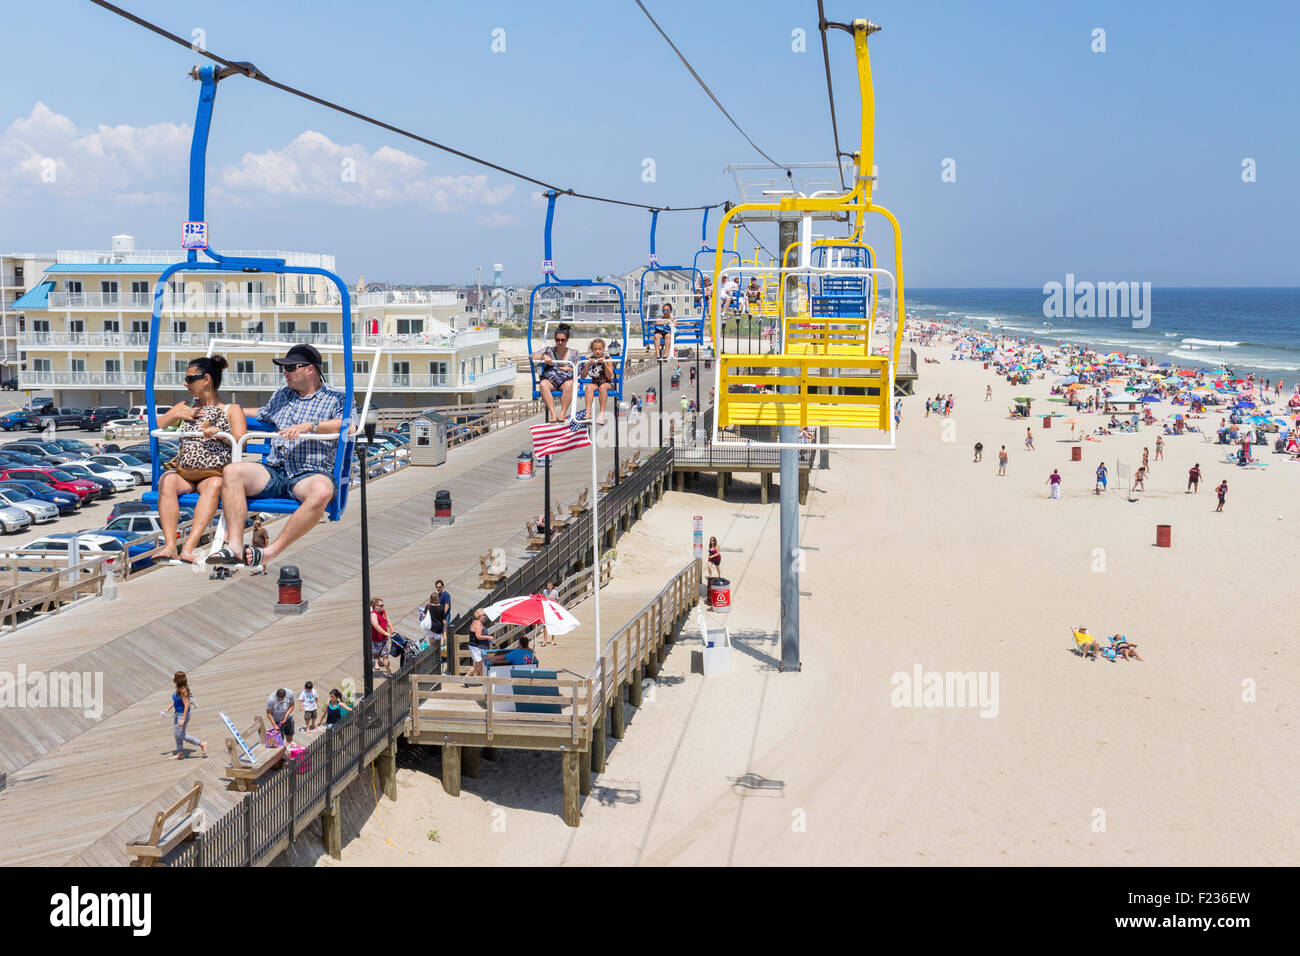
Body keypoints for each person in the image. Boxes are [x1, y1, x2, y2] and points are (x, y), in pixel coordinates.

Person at [206, 344, 356, 569]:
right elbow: (263, 413)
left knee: (322, 491)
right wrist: (225, 409)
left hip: (309, 472)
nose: (284, 374)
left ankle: (270, 552)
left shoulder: (337, 398)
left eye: (290, 368)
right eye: (283, 369)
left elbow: (349, 425)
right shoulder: (281, 395)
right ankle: (234, 545)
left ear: (310, 370)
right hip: (275, 469)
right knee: (233, 471)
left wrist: (310, 426)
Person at [155, 356, 247, 565]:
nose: (185, 384)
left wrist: (220, 434)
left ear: (205, 379)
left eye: (189, 379)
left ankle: (189, 547)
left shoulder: (231, 409)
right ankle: (170, 546)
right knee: (167, 480)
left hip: (214, 473)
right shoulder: (186, 407)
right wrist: (174, 414)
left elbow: (242, 442)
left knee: (214, 485)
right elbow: (156, 425)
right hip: (186, 472)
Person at [531, 324, 579, 421]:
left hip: (565, 380)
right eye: (557, 340)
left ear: (567, 340)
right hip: (551, 379)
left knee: (570, 385)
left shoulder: (574, 353)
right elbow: (532, 356)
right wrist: (544, 357)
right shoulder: (549, 350)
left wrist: (568, 369)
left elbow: (579, 370)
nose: (560, 342)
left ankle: (562, 414)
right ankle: (553, 414)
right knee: (543, 384)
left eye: (563, 340)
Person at [160, 670, 206, 759]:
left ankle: (201, 743)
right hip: (178, 714)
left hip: (183, 715)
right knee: (176, 733)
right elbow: (176, 701)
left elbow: (186, 704)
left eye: (175, 677)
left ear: (178, 679)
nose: (173, 678)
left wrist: (183, 719)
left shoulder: (183, 690)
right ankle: (180, 753)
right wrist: (167, 710)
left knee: (181, 735)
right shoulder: (178, 688)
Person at [369, 596, 395, 672]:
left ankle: (388, 670)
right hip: (376, 639)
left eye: (383, 605)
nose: (383, 607)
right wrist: (385, 633)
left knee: (385, 656)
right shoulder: (373, 614)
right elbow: (376, 626)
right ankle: (376, 663)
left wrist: (392, 628)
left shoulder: (383, 612)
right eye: (381, 605)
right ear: (376, 606)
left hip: (384, 638)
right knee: (376, 653)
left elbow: (387, 620)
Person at [467, 608, 492, 676]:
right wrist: (488, 637)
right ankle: (466, 678)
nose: (485, 617)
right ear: (479, 616)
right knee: (478, 665)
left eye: (485, 615)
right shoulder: (477, 623)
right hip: (476, 647)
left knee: (480, 665)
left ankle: (482, 679)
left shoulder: (478, 622)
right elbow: (478, 636)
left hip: (478, 646)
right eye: (483, 615)